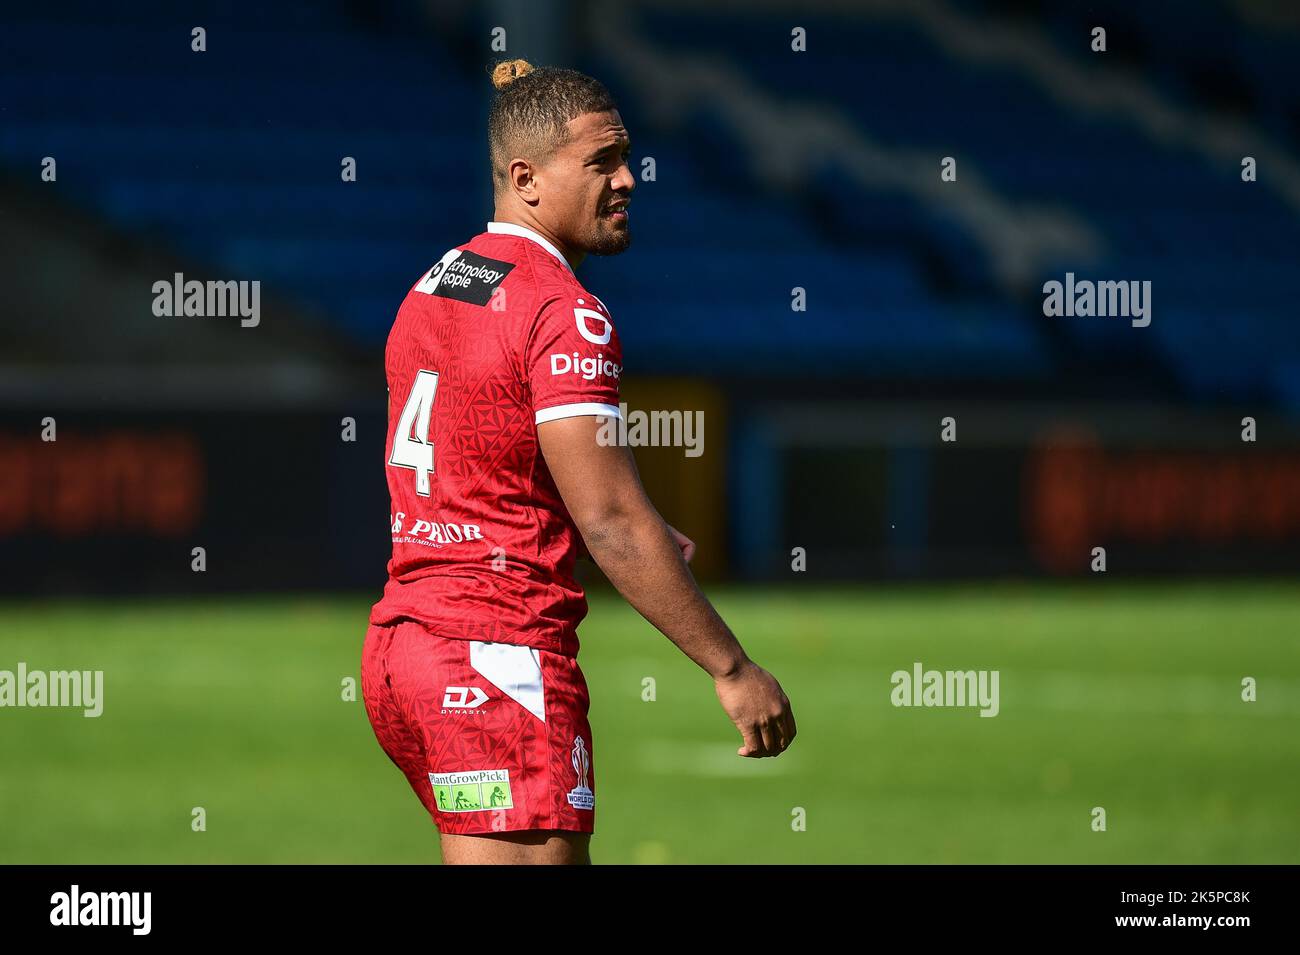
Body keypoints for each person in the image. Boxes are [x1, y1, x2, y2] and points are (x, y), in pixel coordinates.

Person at [361, 58, 796, 865]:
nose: (629, 180)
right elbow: (612, 523)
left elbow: (482, 457)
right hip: (497, 657)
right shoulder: (567, 314)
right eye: (602, 163)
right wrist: (731, 666)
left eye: (626, 157)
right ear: (526, 178)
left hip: (405, 648)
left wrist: (616, 520)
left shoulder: (434, 283)